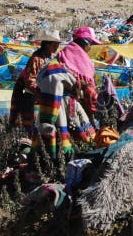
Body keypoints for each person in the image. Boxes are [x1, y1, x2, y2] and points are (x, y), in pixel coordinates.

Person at [34, 26, 102, 159]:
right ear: (85, 42)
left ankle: (50, 159)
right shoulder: (80, 59)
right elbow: (89, 91)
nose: (90, 48)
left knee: (56, 132)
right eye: (91, 44)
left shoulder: (64, 54)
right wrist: (95, 108)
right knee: (75, 132)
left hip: (51, 101)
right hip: (64, 103)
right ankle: (65, 160)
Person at [9, 30, 61, 132]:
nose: (57, 47)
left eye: (58, 44)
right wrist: (43, 93)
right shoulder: (36, 59)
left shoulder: (52, 58)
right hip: (34, 98)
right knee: (34, 128)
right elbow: (30, 81)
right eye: (55, 44)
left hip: (48, 97)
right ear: (47, 44)